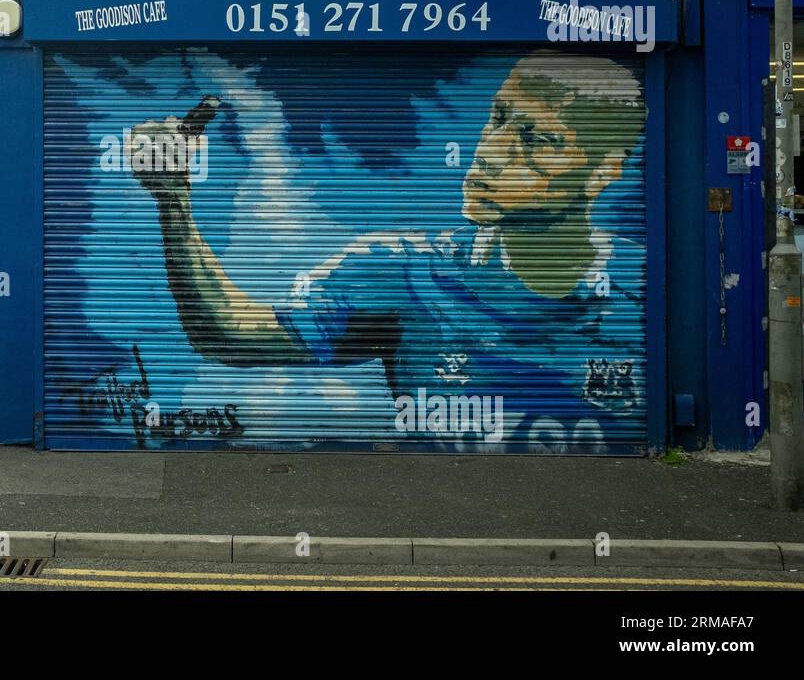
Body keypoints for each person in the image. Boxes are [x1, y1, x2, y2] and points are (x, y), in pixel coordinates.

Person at [129, 52, 648, 446]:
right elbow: (232, 336)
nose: (489, 153)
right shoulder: (405, 273)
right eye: (497, 118)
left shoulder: (647, 286)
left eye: (537, 140)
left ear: (604, 170)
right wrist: (174, 201)